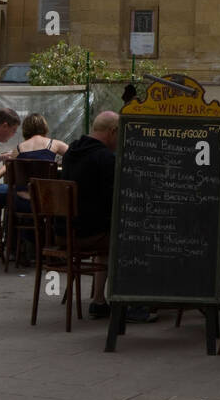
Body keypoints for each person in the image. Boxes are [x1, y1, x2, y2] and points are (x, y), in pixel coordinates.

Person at [61, 111, 156, 323]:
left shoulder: (71, 152)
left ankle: (98, 301)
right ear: (113, 132)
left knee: (110, 233)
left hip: (67, 230)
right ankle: (130, 304)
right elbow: (117, 197)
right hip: (88, 232)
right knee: (133, 238)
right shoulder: (103, 158)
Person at [10, 113, 69, 213]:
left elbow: (12, 176)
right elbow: (76, 155)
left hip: (23, 202)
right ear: (44, 127)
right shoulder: (54, 144)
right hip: (48, 202)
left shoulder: (17, 149)